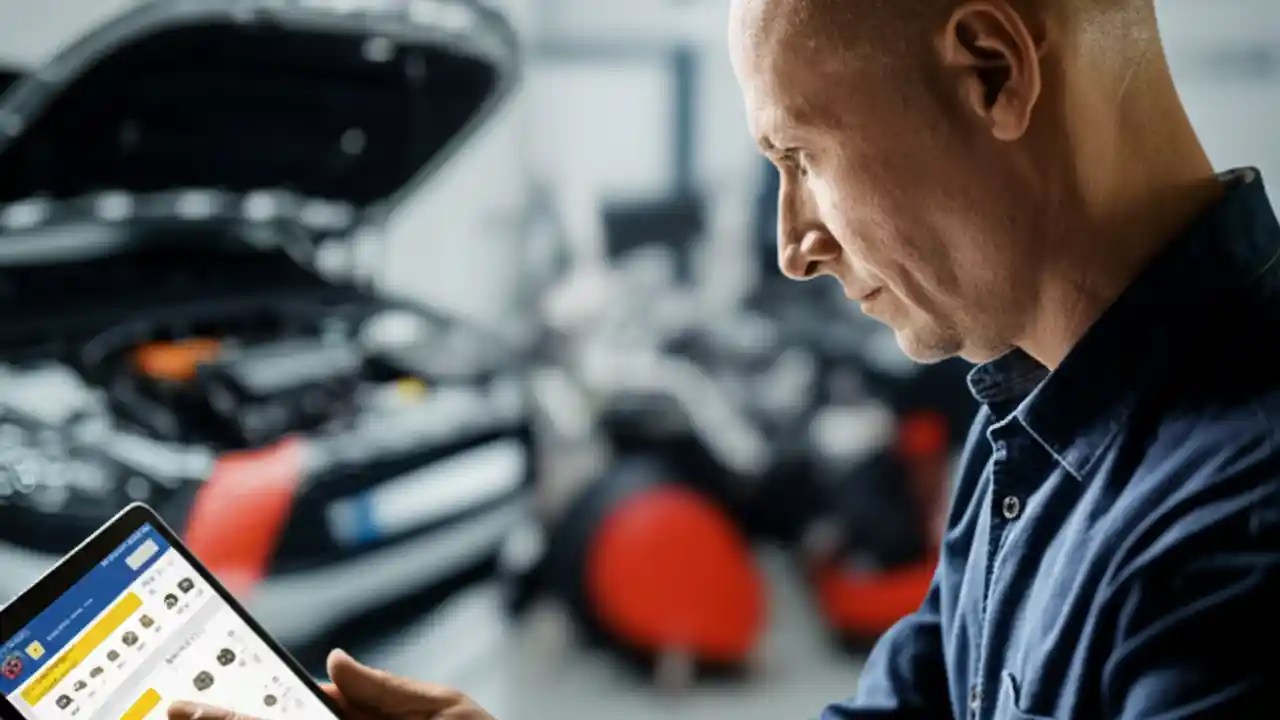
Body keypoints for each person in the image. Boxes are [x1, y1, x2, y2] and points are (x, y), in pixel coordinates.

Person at [172, 0, 1280, 718]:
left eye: (799, 154)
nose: (792, 246)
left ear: (991, 69)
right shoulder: (1032, 417)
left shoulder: (1237, 530)